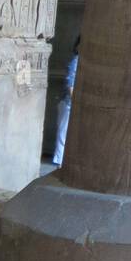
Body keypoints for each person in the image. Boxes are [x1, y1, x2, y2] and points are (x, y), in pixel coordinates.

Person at [53, 36, 79, 167]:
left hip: (71, 103)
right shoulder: (76, 61)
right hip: (69, 103)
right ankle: (59, 163)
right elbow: (70, 84)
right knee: (63, 134)